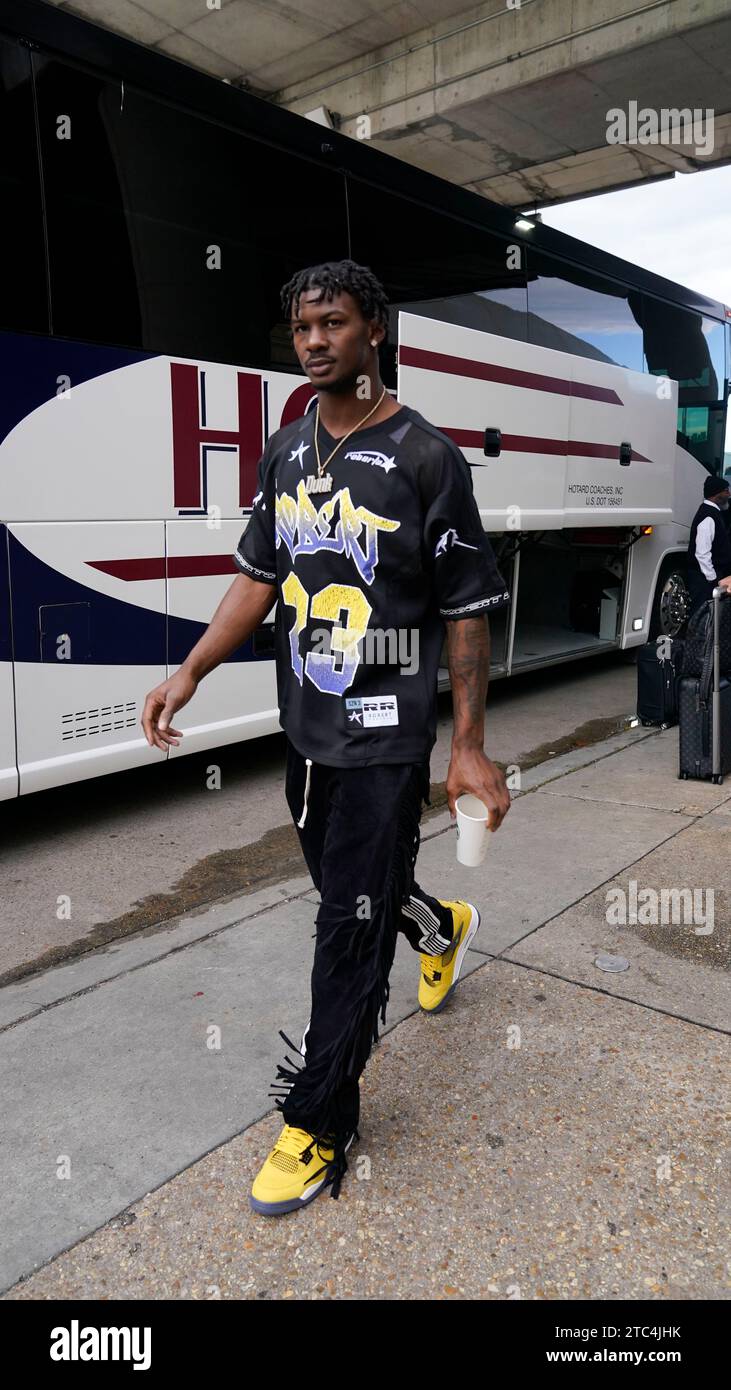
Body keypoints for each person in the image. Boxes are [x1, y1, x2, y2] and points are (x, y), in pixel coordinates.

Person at [141, 259, 511, 1216]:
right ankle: (440, 927)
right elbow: (259, 577)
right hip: (305, 729)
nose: (314, 342)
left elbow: (466, 609)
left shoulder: (428, 457)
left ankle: (319, 1121)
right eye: (302, 327)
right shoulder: (285, 449)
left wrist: (466, 743)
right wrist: (192, 669)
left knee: (344, 931)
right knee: (355, 896)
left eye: (334, 324)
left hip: (388, 739)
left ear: (374, 331)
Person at [686, 474, 731, 616]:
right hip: (704, 579)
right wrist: (713, 579)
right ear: (717, 494)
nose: (729, 494)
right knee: (701, 615)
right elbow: (702, 553)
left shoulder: (712, 513)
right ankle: (698, 639)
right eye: (726, 491)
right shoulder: (708, 517)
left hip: (707, 577)